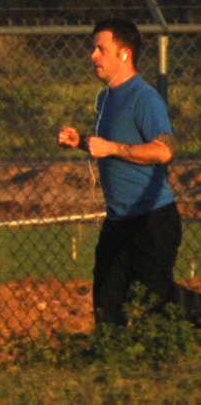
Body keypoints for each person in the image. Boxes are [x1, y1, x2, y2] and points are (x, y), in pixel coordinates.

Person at [58, 17, 181, 326]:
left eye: (101, 49)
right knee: (107, 304)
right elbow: (112, 143)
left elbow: (164, 150)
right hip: (118, 221)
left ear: (124, 54)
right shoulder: (107, 98)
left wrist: (110, 148)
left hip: (152, 220)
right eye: (93, 49)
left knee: (160, 304)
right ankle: (109, 364)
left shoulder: (144, 97)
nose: (93, 56)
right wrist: (81, 141)